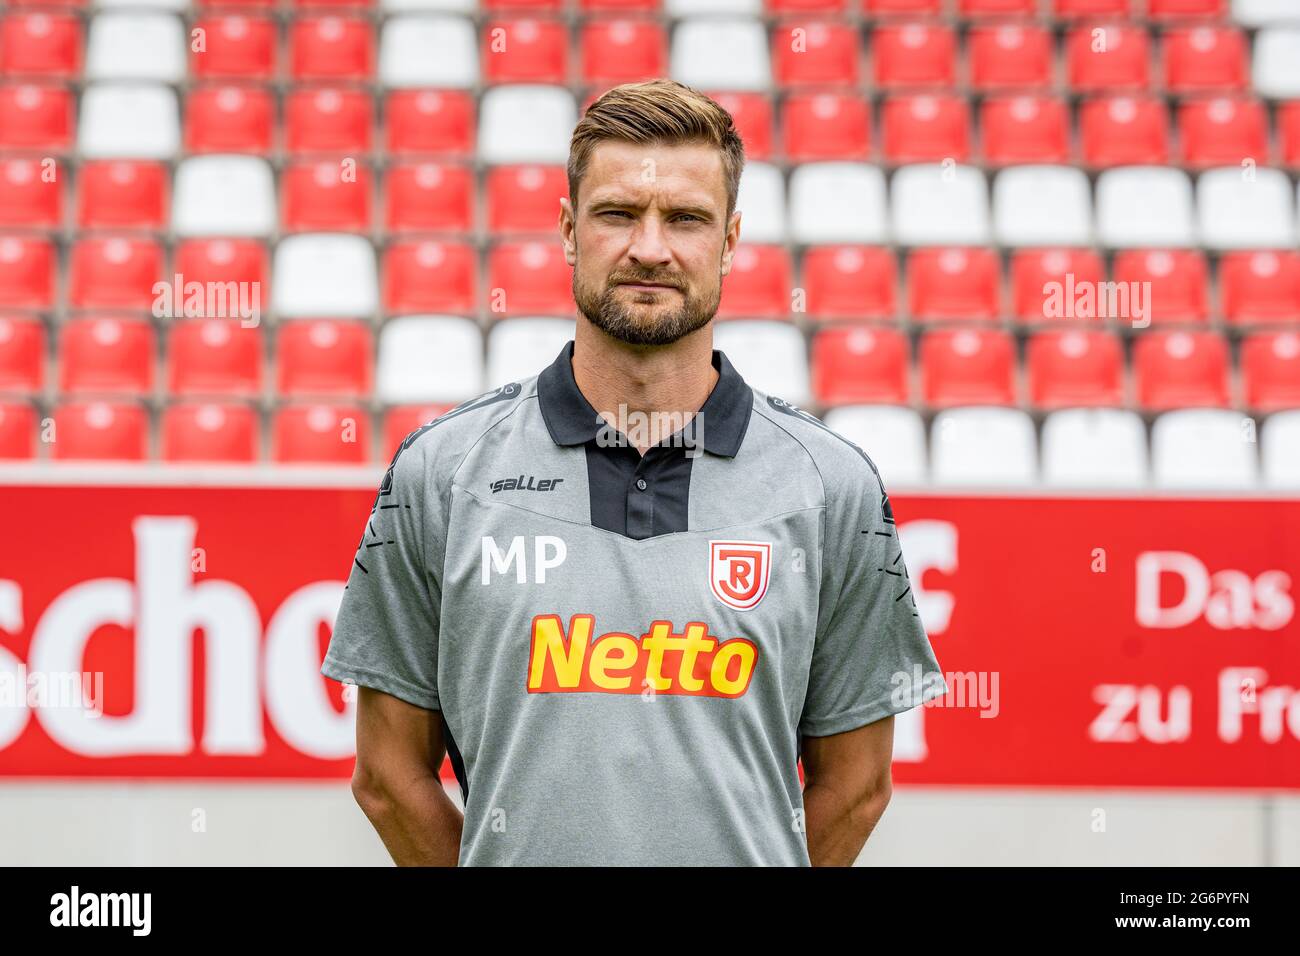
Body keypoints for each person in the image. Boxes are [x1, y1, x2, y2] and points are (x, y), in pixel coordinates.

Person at [321, 79, 947, 866]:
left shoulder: (832, 486)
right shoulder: (440, 473)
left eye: (686, 218)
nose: (650, 247)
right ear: (568, 229)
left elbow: (856, 786)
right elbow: (387, 776)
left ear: (729, 240)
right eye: (618, 213)